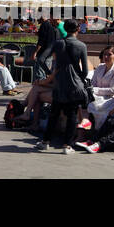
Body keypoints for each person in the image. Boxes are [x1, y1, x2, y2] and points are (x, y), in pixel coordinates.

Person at [38, 19, 90, 153]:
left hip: (59, 82)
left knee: (54, 113)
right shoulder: (81, 46)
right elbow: (84, 70)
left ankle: (45, 141)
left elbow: (41, 59)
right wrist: (79, 78)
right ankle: (67, 145)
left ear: (65, 29)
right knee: (72, 115)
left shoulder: (57, 43)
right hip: (75, 84)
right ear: (78, 29)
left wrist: (51, 73)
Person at [82, 46, 114, 132]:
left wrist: (95, 90)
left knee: (94, 106)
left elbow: (113, 90)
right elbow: (93, 83)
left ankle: (95, 131)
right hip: (99, 96)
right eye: (104, 54)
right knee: (82, 101)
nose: (106, 57)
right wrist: (93, 90)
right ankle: (84, 129)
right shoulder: (100, 67)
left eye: (109, 55)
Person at [32, 17, 59, 82]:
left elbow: (41, 41)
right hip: (50, 52)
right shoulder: (50, 25)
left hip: (44, 51)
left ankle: (39, 87)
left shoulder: (44, 25)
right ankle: (46, 81)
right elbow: (48, 37)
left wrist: (35, 52)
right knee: (44, 71)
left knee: (40, 72)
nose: (37, 18)